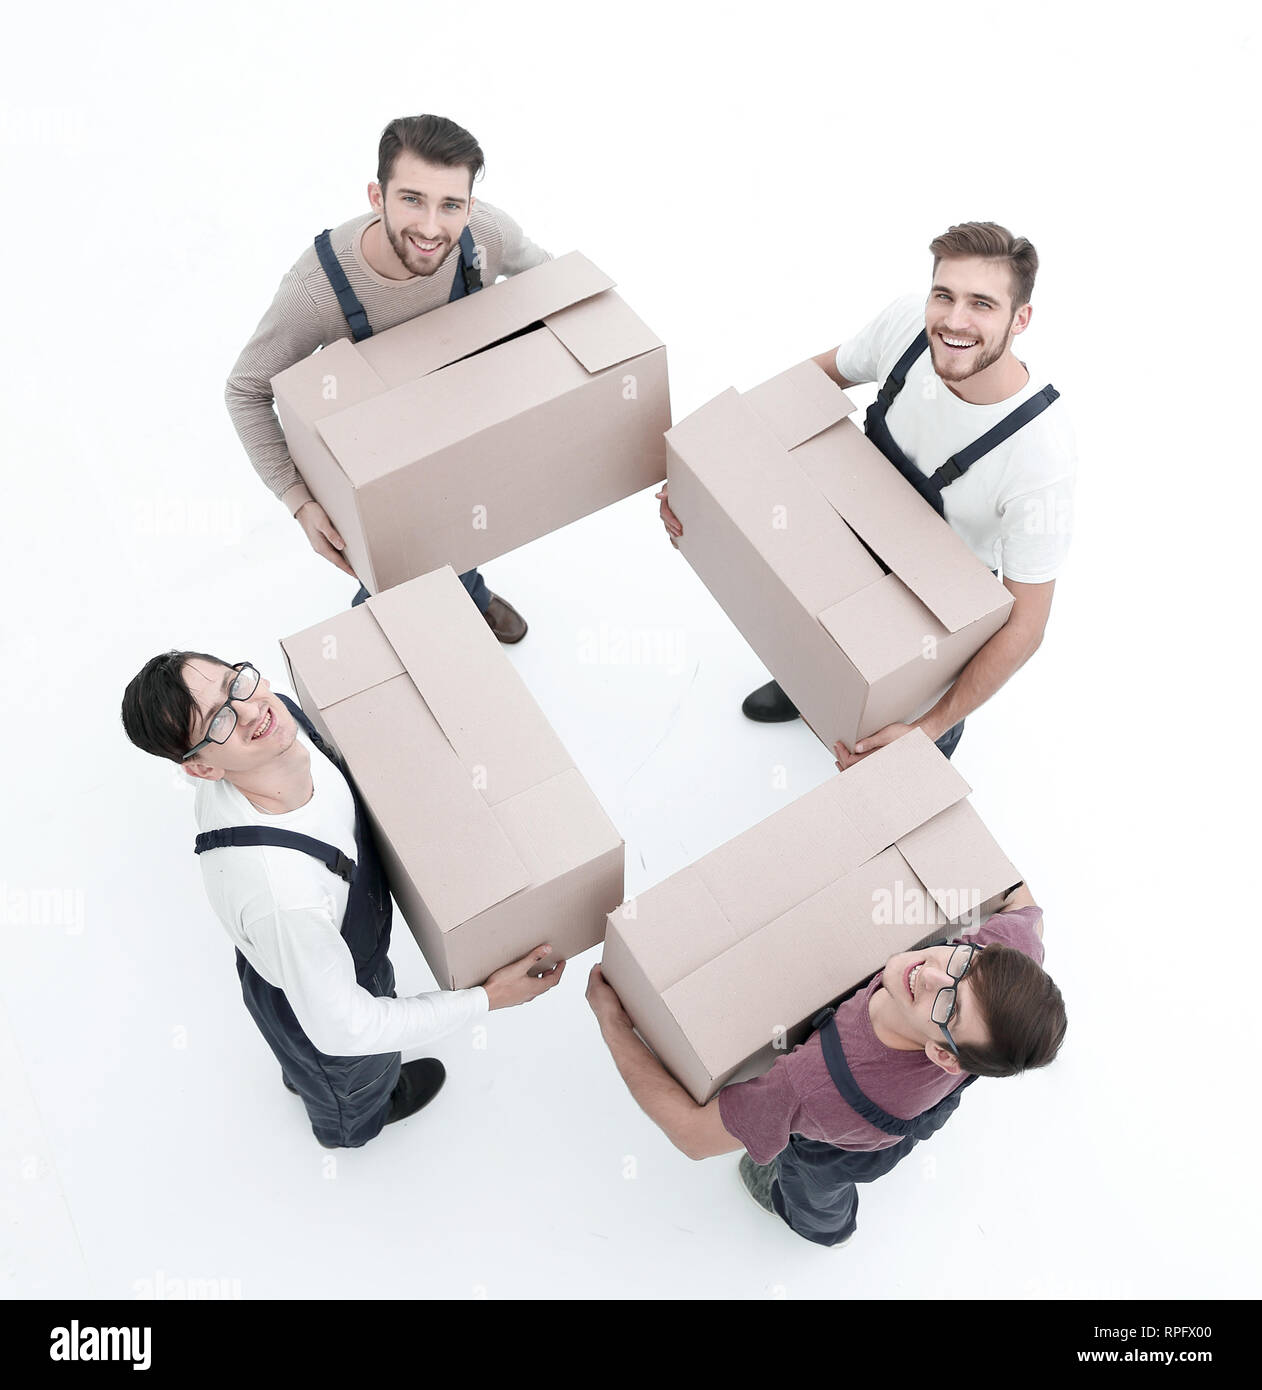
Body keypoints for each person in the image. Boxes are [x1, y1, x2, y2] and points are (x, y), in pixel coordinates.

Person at [657, 222, 1076, 763]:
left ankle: (926, 743)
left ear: (1021, 318)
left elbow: (1027, 625)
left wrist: (928, 727)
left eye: (982, 304)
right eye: (944, 296)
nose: (954, 321)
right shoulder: (906, 326)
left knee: (892, 758)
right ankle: (805, 682)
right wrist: (711, 472)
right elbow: (813, 380)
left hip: (932, 615)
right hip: (844, 533)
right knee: (811, 639)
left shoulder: (1040, 457)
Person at [121, 651, 564, 1149]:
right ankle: (351, 1121)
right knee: (351, 1079)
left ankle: (303, 1068)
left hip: (308, 960)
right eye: (218, 720)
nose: (249, 711)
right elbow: (347, 1030)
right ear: (201, 769)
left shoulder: (277, 723)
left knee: (312, 1036)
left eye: (234, 684)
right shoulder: (283, 896)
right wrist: (487, 998)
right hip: (321, 991)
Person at [586, 882, 1065, 1245]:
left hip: (850, 1140)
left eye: (950, 1008)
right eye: (964, 964)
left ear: (944, 1055)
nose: (932, 971)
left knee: (810, 1181)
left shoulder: (815, 1088)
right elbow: (1022, 903)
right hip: (927, 1094)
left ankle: (823, 1228)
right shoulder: (1010, 957)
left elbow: (692, 1135)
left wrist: (613, 1022)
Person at [225, 113, 552, 641]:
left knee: (463, 517)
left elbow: (547, 280)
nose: (430, 226)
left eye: (451, 204)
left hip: (462, 416)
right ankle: (401, 639)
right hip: (383, 447)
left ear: (470, 204)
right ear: (377, 197)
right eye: (411, 199)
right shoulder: (317, 287)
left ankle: (467, 592)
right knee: (394, 573)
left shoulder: (486, 233)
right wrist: (298, 500)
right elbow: (245, 389)